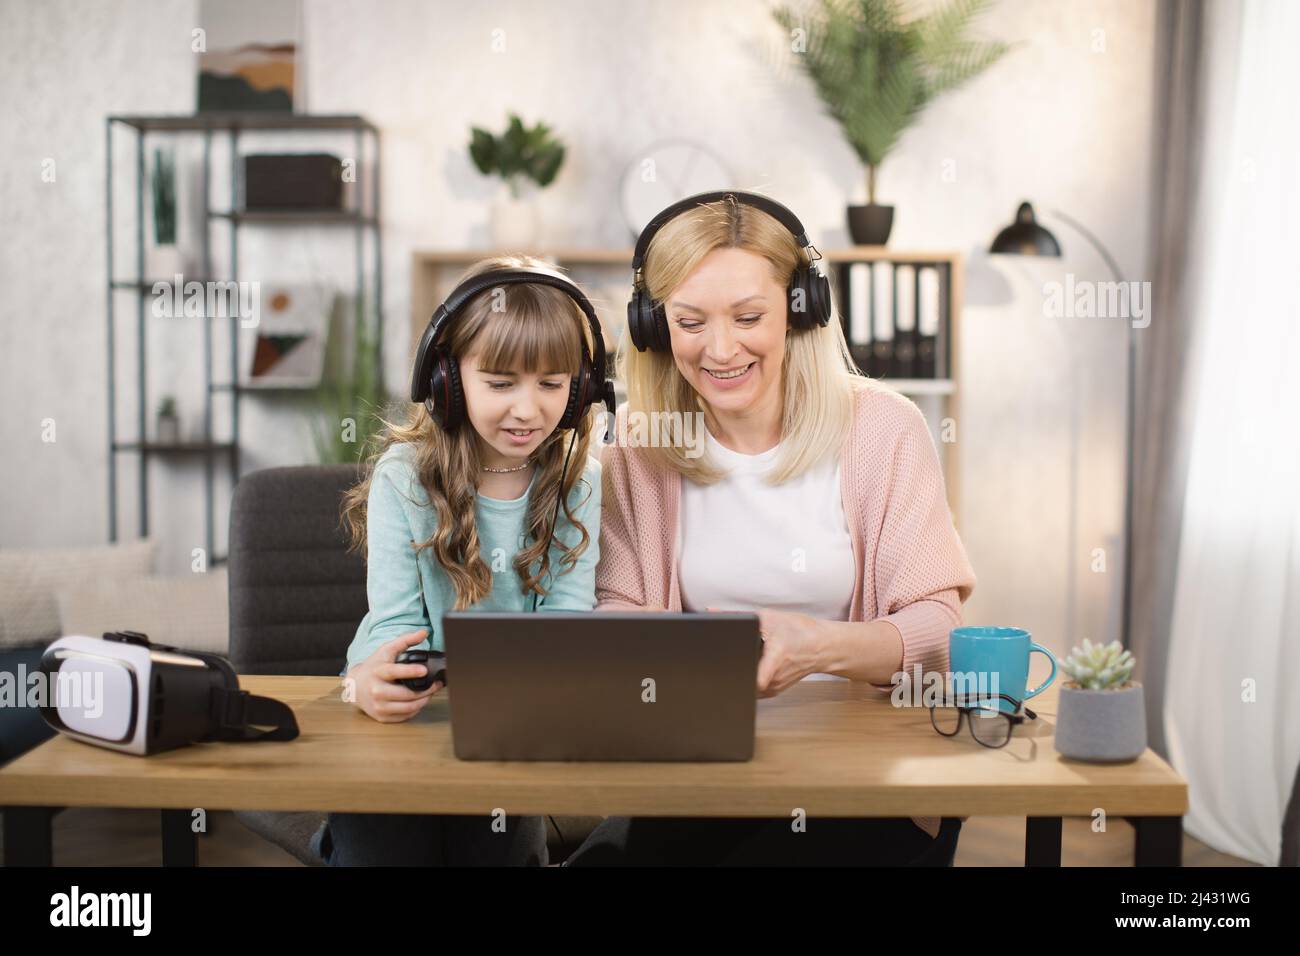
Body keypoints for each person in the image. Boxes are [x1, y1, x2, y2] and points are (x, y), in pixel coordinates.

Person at [566, 192, 977, 866]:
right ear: (652, 326)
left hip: (864, 781)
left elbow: (940, 629)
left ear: (798, 310)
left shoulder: (883, 428)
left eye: (749, 317)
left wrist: (818, 648)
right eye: (690, 321)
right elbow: (619, 615)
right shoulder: (640, 441)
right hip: (701, 771)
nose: (721, 349)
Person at [314, 255, 605, 866]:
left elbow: (567, 624)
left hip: (509, 724)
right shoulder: (404, 478)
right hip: (405, 712)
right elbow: (394, 624)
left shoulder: (577, 481)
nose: (528, 410)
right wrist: (364, 685)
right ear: (447, 380)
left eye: (552, 385)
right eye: (501, 384)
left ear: (579, 392)